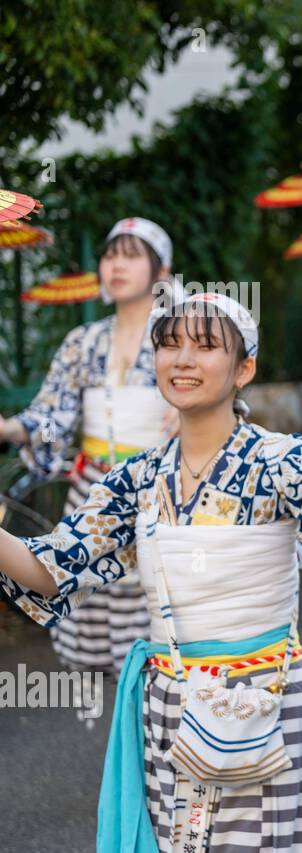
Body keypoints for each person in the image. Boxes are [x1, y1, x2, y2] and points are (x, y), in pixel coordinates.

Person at [0, 292, 302, 853]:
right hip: (171, 705)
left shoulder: (282, 460)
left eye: (204, 346)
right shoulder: (136, 479)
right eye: (169, 345)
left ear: (244, 368)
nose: (183, 360)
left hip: (266, 700)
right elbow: (50, 571)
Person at [0, 218, 177, 674]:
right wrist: (10, 430)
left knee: (157, 622)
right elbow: (51, 418)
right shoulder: (83, 342)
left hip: (163, 490)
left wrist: (192, 411)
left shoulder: (182, 337)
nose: (116, 265)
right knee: (89, 609)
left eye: (132, 255)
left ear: (161, 272)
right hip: (94, 492)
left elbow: (226, 402)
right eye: (111, 254)